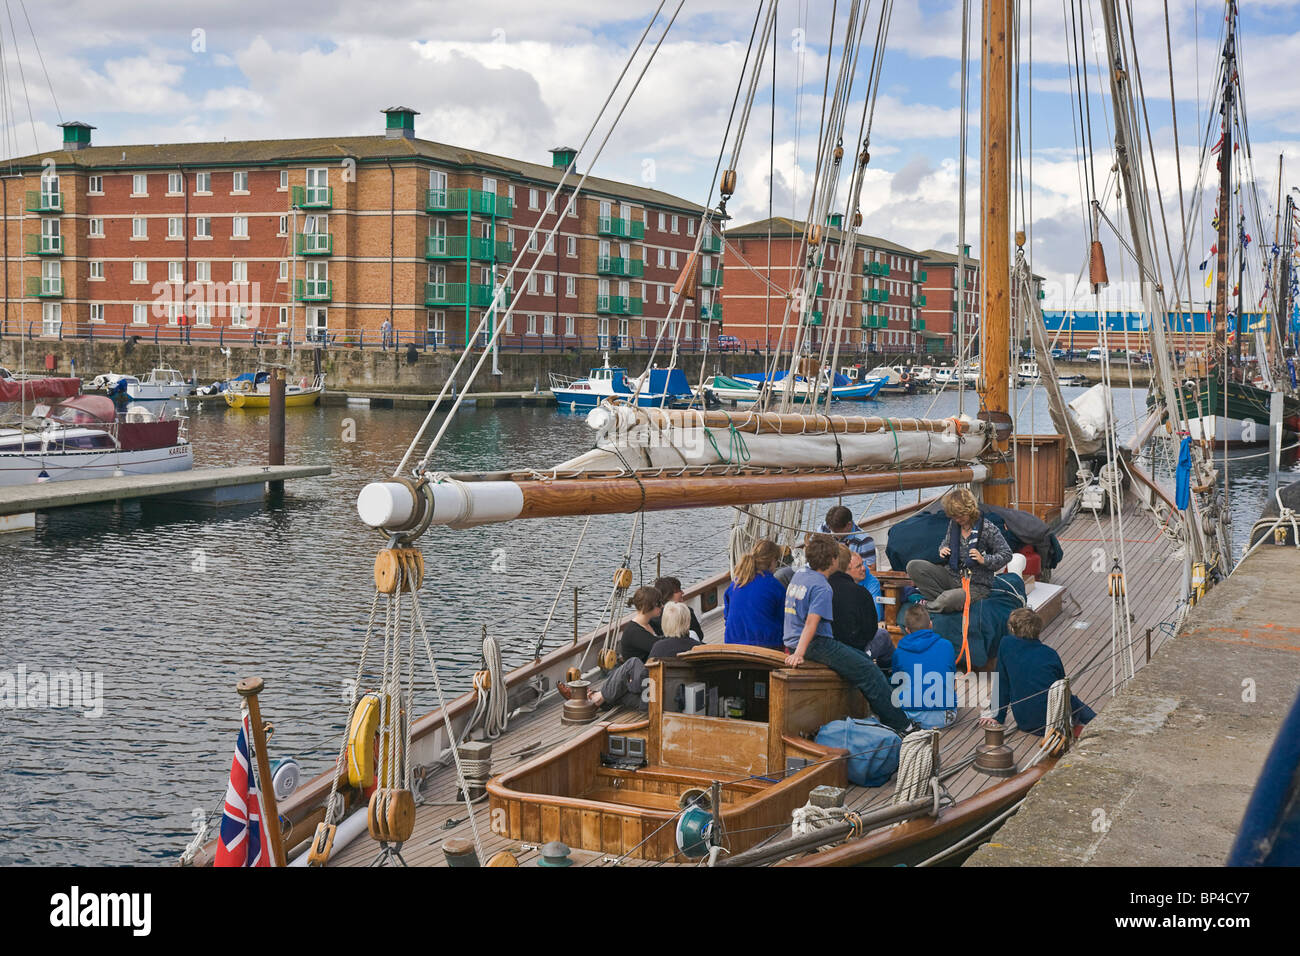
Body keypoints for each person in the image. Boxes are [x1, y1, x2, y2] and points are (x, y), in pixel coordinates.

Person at [783, 534, 915, 734]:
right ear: (833, 560)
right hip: (814, 643)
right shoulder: (822, 587)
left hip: (794, 639)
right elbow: (811, 622)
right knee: (868, 671)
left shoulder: (801, 574)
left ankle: (888, 714)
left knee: (862, 660)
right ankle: (902, 725)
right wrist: (799, 653)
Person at [981, 608, 1095, 737]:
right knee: (1074, 701)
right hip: (1053, 721)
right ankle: (1096, 722)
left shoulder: (1006, 644)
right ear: (1038, 630)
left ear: (1013, 629)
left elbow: (1002, 682)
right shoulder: (1050, 654)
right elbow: (1062, 688)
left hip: (1026, 722)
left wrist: (997, 716)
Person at [905, 488, 1012, 613]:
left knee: (948, 599)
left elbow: (1007, 553)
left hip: (975, 585)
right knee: (913, 566)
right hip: (951, 576)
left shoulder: (987, 528)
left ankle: (932, 605)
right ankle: (943, 601)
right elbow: (946, 542)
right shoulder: (954, 524)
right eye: (953, 516)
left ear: (969, 509)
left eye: (960, 515)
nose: (957, 519)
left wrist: (984, 560)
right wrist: (942, 549)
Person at [584, 601, 699, 710]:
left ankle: (597, 698)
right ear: (687, 622)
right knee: (618, 688)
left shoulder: (660, 647)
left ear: (666, 623)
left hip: (655, 704)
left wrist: (629, 683)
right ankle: (600, 697)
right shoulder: (698, 648)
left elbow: (642, 684)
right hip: (685, 700)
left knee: (631, 665)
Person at [890, 604, 957, 729]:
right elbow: (951, 678)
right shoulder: (947, 646)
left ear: (907, 630)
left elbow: (896, 682)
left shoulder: (899, 652)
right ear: (930, 624)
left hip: (910, 716)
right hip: (944, 718)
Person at [723, 539, 786, 649]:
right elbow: (785, 619)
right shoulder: (775, 586)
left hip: (732, 644)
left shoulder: (735, 584)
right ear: (772, 561)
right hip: (766, 646)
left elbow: (727, 616)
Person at [827, 544, 878, 653]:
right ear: (847, 567)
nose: (864, 568)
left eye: (863, 564)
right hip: (854, 651)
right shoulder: (862, 594)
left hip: (828, 647)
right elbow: (871, 630)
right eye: (858, 566)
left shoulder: (822, 587)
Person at [821, 504, 877, 569]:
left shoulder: (864, 540)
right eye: (832, 530)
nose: (833, 534)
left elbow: (870, 569)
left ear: (849, 525)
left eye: (837, 531)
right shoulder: (826, 526)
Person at [618, 586, 663, 663]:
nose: (662, 606)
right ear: (646, 606)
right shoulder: (633, 632)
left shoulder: (652, 623)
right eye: (658, 603)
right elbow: (660, 647)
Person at [650, 576, 703, 641]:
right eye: (679, 590)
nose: (682, 592)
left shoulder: (652, 619)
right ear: (668, 595)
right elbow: (699, 636)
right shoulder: (687, 612)